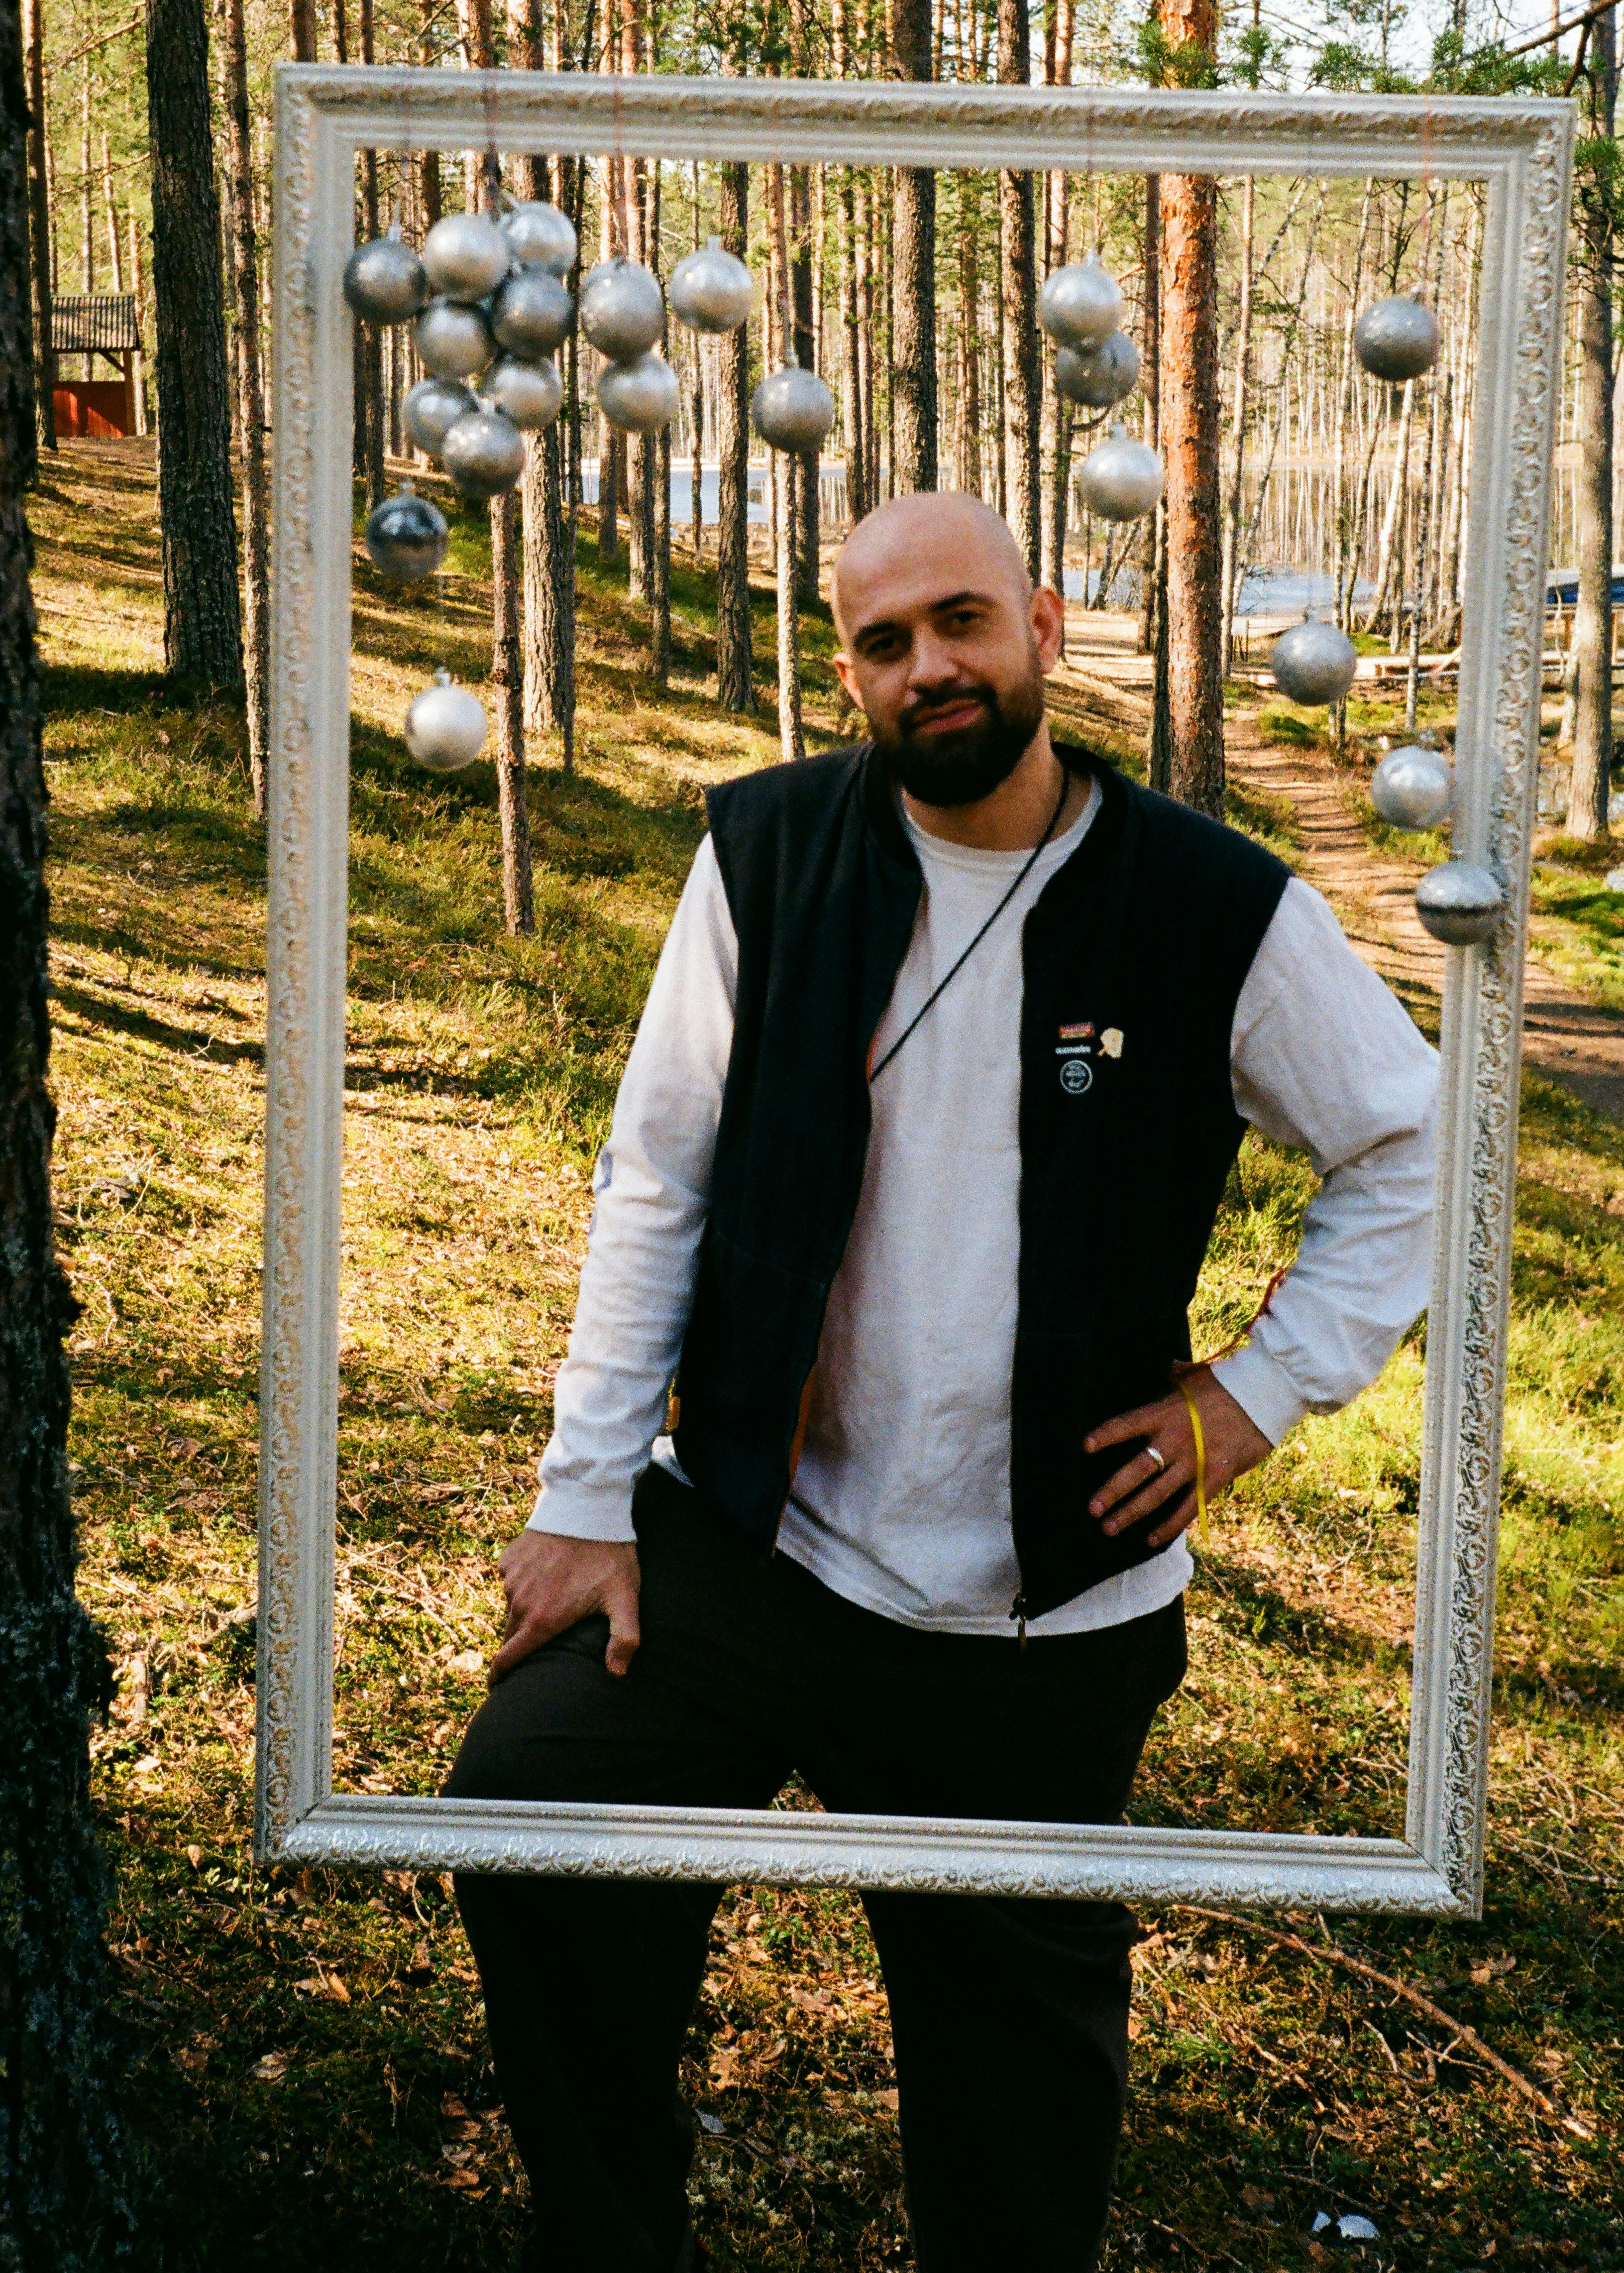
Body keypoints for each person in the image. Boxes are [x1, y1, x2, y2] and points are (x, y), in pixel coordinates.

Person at [447, 492, 1437, 2273]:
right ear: (850, 670)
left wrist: (1256, 1395)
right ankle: (610, 2241)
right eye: (887, 643)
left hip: (1039, 1618)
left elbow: (1416, 1143)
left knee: (1013, 2128)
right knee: (532, 1825)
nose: (933, 669)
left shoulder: (1212, 904)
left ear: (1046, 627)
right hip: (764, 1544)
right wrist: (587, 1501)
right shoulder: (762, 854)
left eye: (963, 622)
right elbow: (657, 1171)